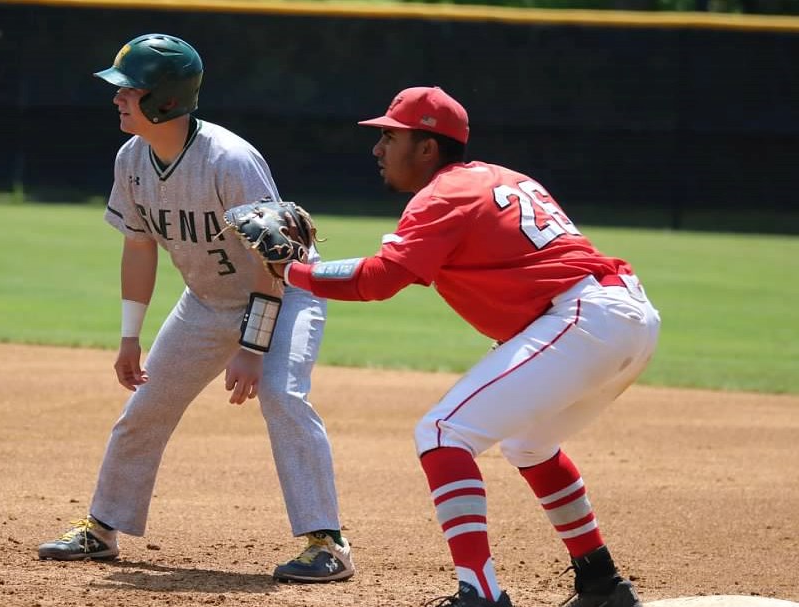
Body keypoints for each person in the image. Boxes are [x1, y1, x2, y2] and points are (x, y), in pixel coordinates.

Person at [271, 86, 661, 606]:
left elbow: (381, 278)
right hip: (622, 316)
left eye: (390, 136)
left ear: (427, 147)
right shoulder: (501, 177)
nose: (378, 149)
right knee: (530, 445)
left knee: (441, 431)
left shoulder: (443, 194)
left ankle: (479, 594)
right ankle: (601, 583)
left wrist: (292, 271)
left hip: (584, 319)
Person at [35, 33, 353, 583]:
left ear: (164, 100)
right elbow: (138, 246)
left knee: (282, 395)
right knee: (146, 407)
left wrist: (254, 348)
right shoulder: (132, 159)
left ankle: (327, 543)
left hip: (286, 294)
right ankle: (102, 527)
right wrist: (129, 337)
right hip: (205, 302)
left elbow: (272, 261)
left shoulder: (230, 160)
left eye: (128, 91)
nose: (116, 99)